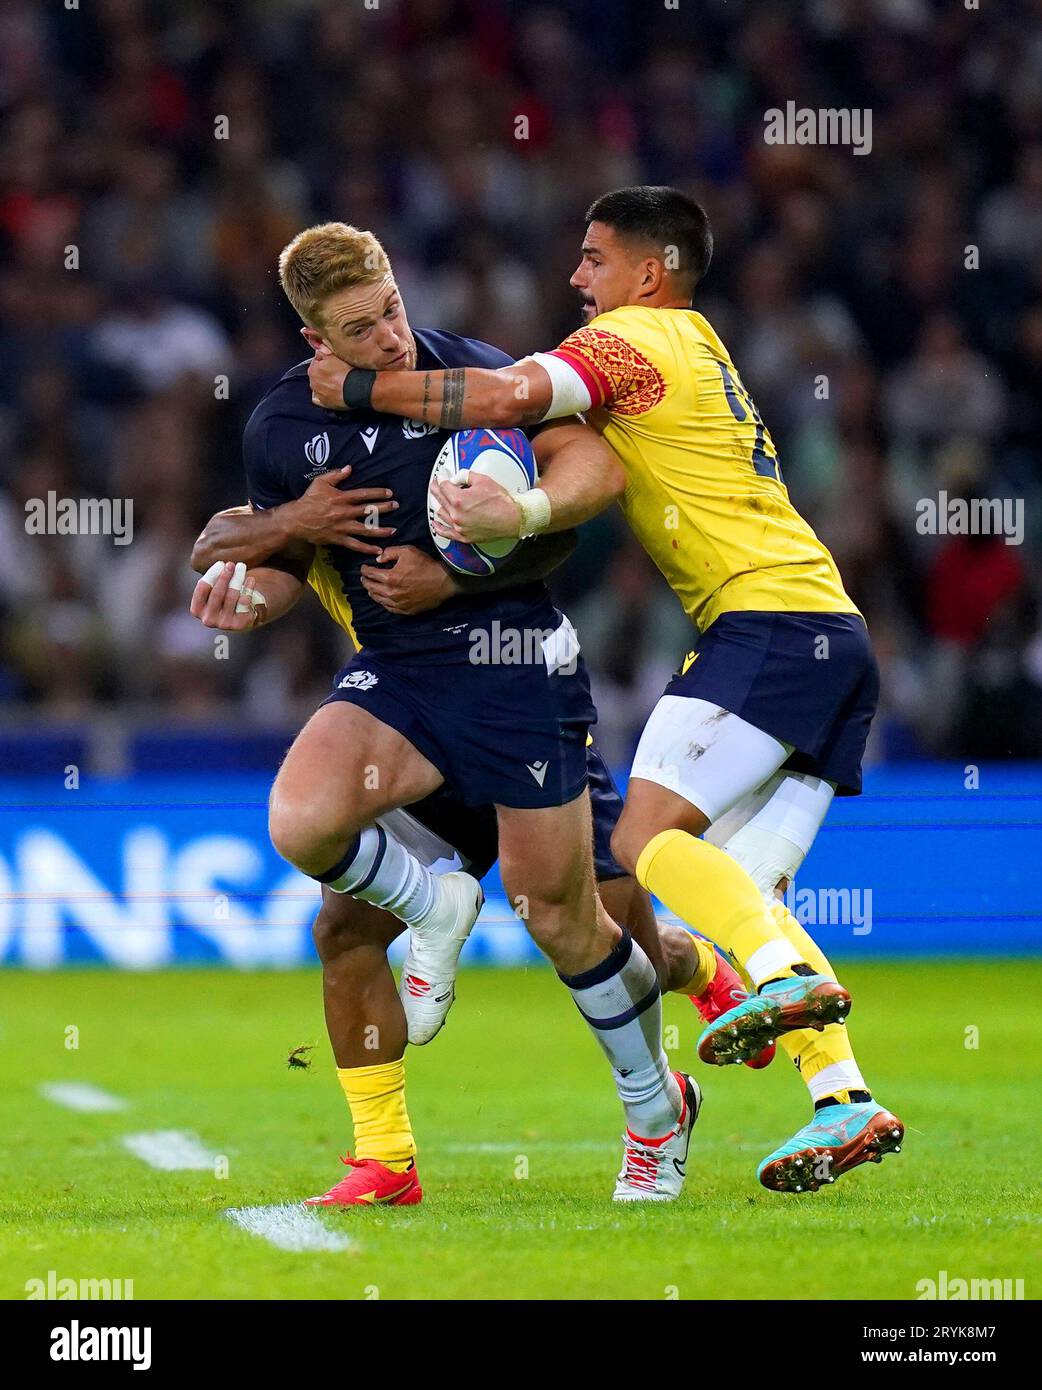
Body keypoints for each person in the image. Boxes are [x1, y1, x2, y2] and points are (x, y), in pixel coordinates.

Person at [307, 189, 904, 1194]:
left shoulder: (633, 337)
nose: (576, 278)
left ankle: (783, 983)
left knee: (639, 841)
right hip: (826, 632)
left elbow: (502, 400)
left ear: (648, 268)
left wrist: (362, 392)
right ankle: (843, 1100)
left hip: (767, 620)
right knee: (740, 896)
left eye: (592, 258)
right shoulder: (692, 343)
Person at [191, 220, 754, 1203]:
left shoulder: (475, 380)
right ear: (312, 339)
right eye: (360, 331)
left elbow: (588, 482)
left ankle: (660, 1091)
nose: (391, 340)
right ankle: (385, 1156)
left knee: (575, 923)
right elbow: (268, 559)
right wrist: (262, 574)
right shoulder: (282, 429)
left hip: (514, 674)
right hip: (399, 683)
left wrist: (474, 560)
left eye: (393, 309)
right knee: (324, 878)